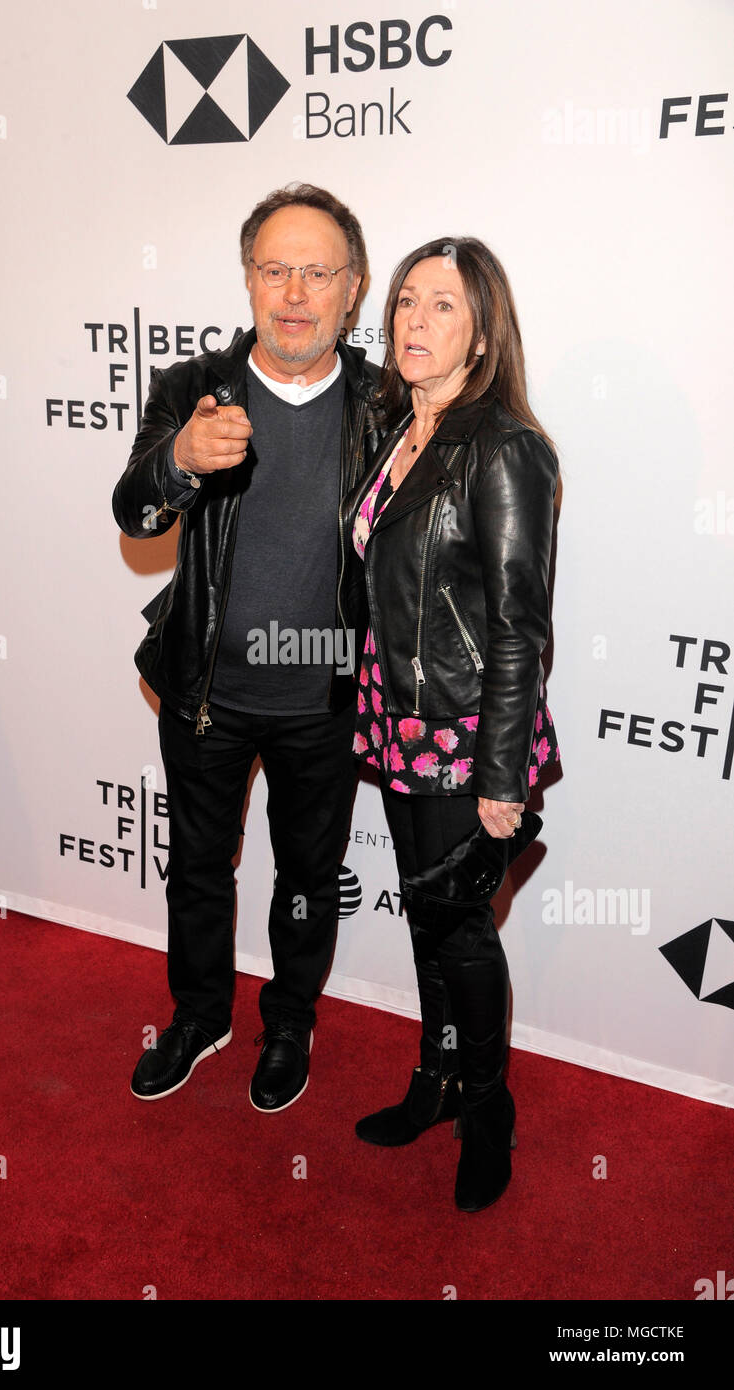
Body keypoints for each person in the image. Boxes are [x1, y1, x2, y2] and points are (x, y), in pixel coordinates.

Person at [112, 184, 381, 1113]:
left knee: (309, 878)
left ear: (353, 289)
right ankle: (197, 1017)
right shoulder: (190, 391)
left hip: (325, 702)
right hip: (205, 693)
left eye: (317, 272)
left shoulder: (387, 408)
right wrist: (179, 457)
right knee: (196, 863)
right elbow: (133, 512)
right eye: (275, 269)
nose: (294, 292)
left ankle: (290, 1023)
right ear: (247, 281)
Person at [341, 237, 559, 1211]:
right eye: (405, 302)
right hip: (397, 713)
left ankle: (487, 1111)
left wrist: (501, 776)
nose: (414, 322)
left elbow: (519, 621)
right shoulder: (398, 427)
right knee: (431, 920)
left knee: (461, 929)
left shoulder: (503, 445)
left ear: (481, 335)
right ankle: (433, 1080)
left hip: (470, 731)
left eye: (442, 307)